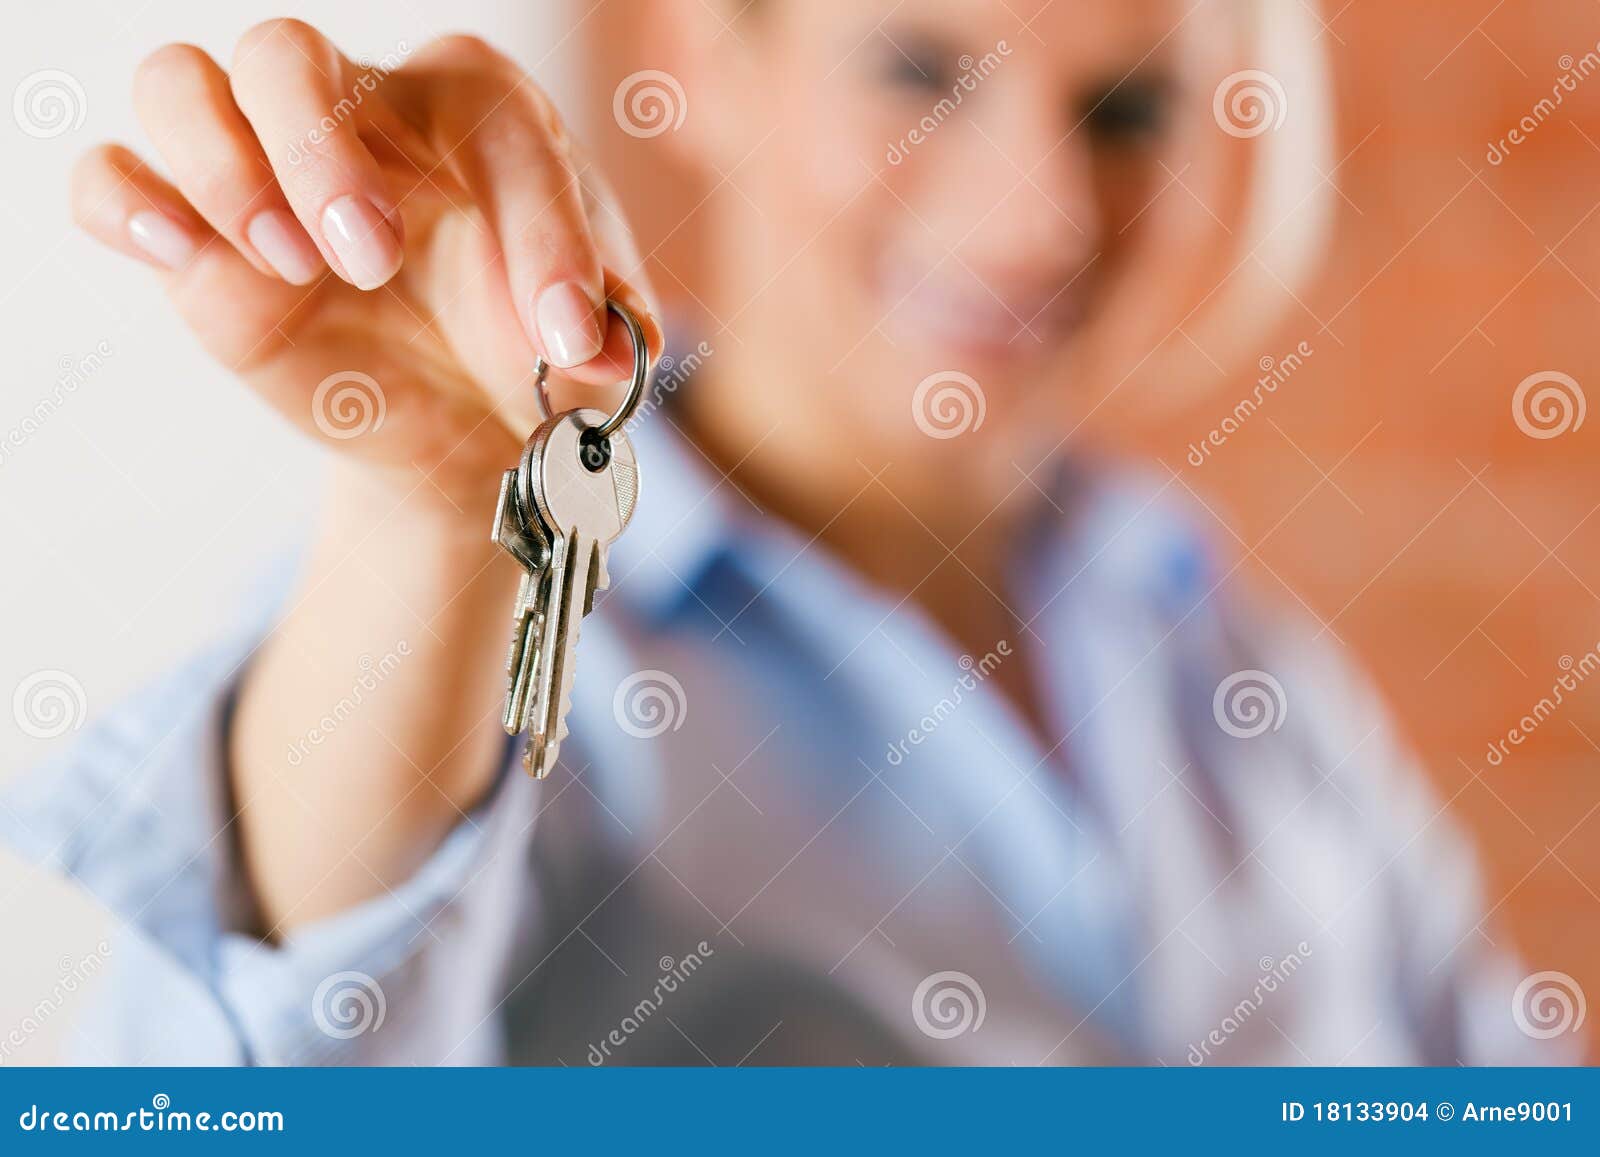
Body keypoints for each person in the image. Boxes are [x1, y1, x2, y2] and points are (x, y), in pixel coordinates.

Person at [3, 0, 1563, 1065]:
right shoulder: (483, 632)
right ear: (709, 49)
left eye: (1129, 106)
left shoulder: (1243, 672)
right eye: (918, 69)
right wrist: (424, 507)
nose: (1042, 212)